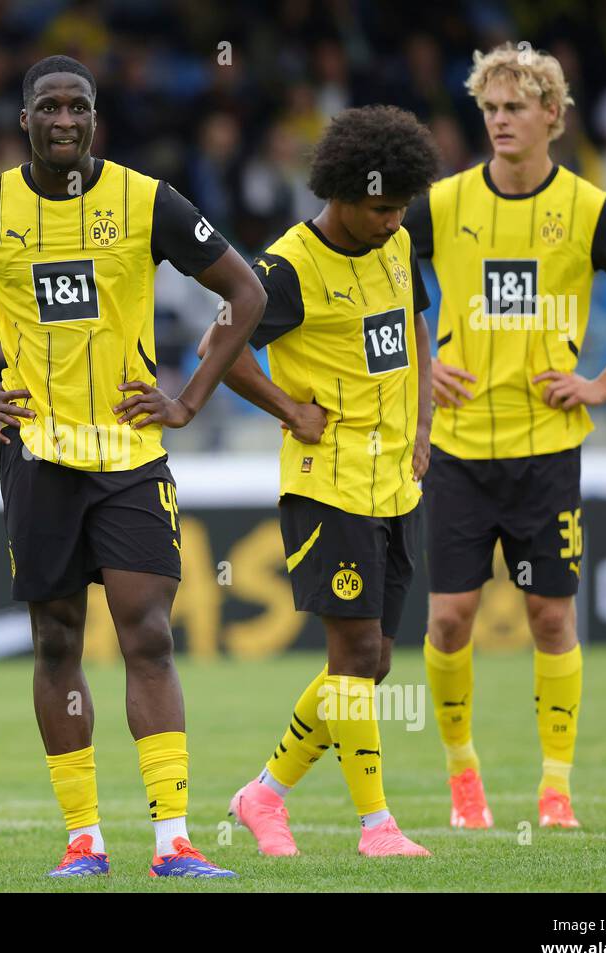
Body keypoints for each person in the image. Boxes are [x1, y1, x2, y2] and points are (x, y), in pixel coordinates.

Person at [0, 55, 266, 878]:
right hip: (37, 453)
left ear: (96, 118)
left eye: (80, 106)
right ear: (24, 120)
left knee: (151, 633)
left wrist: (189, 398)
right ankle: (84, 839)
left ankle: (174, 841)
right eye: (49, 107)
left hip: (129, 450)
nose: (65, 120)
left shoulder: (146, 200)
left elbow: (245, 290)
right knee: (56, 638)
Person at [404, 43, 606, 830]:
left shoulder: (590, 210)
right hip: (458, 449)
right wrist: (421, 369)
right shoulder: (445, 202)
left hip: (546, 449)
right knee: (450, 617)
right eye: (489, 109)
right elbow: (378, 272)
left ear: (552, 118)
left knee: (550, 618)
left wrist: (604, 384)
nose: (498, 122)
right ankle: (464, 780)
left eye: (515, 108)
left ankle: (555, 789)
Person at [213, 105, 440, 858]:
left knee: (371, 658)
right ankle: (378, 825)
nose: (393, 218)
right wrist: (287, 408)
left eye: (402, 205)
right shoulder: (284, 269)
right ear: (339, 191)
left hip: (394, 484)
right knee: (353, 654)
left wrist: (423, 425)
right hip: (325, 484)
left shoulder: (399, 242)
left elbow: (414, 325)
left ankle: (264, 794)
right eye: (381, 206)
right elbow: (223, 345)